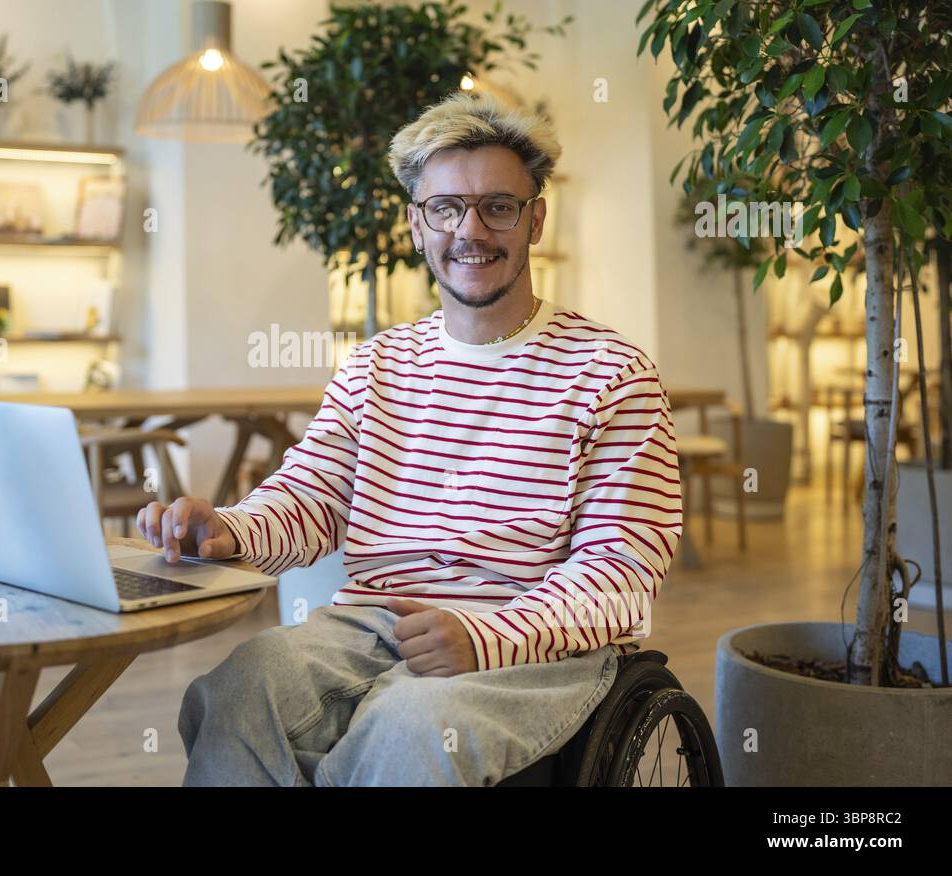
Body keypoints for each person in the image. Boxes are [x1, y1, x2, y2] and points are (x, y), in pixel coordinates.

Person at [136, 92, 681, 786]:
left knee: (409, 730)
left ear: (535, 218)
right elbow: (313, 498)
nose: (470, 230)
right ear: (417, 226)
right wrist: (229, 530)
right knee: (236, 693)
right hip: (374, 624)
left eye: (498, 207)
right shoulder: (377, 365)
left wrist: (486, 637)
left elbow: (621, 577)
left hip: (536, 649)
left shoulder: (612, 374)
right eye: (446, 208)